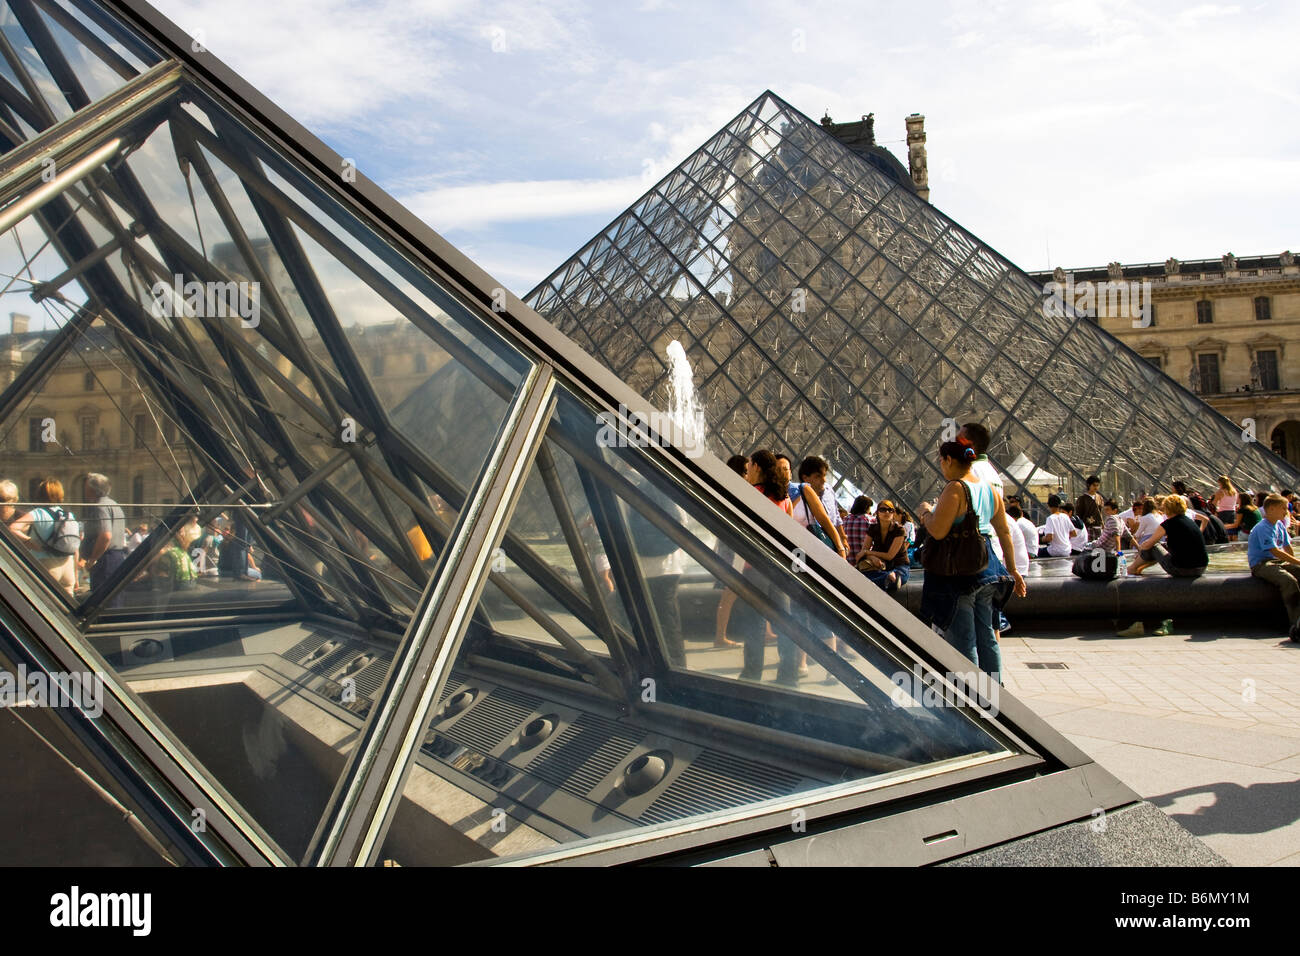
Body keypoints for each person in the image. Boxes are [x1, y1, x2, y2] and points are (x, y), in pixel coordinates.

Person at [919, 438, 1026, 684]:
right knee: (987, 635)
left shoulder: (955, 488)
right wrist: (1012, 570)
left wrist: (925, 512)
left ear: (948, 460)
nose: (941, 466)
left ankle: (970, 695)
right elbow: (1004, 533)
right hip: (988, 564)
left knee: (963, 636)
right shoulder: (990, 489)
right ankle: (994, 690)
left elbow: (937, 530)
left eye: (941, 461)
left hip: (961, 567)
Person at [735, 450, 798, 684]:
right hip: (779, 569)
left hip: (755, 567)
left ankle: (752, 672)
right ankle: (788, 673)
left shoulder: (751, 494)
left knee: (754, 623)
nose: (747, 469)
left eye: (749, 464)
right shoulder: (783, 498)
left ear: (758, 467)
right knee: (785, 622)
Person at [8, 478, 80, 597]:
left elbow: (12, 528)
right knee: (67, 610)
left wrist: (29, 541)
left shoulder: (37, 513)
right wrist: (76, 575)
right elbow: (75, 547)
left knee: (44, 603)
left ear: (40, 494)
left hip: (46, 566)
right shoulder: (68, 515)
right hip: (68, 567)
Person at [1249, 494, 1300, 641]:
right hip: (1261, 564)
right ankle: (1295, 622)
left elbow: (1287, 547)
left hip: (1275, 562)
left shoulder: (1279, 524)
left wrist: (1294, 562)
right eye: (1283, 508)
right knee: (1288, 581)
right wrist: (1297, 562)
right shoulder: (1262, 527)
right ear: (1271, 509)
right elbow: (1275, 551)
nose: (1286, 511)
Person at [713, 455, 750, 648]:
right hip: (733, 548)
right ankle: (720, 637)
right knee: (729, 593)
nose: (747, 475)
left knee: (732, 593)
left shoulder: (728, 490)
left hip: (731, 547)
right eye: (745, 471)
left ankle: (721, 635)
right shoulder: (732, 492)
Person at [81, 472, 128, 607]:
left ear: (92, 489)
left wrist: (93, 559)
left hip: (105, 560)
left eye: (86, 487)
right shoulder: (114, 504)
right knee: (114, 599)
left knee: (103, 602)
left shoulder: (100, 507)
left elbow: (105, 535)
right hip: (116, 556)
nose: (84, 490)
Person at [1137, 494, 1208, 578]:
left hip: (1181, 569)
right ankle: (1140, 568)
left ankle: (1132, 568)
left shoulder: (1168, 524)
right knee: (1162, 545)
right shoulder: (1190, 521)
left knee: (1153, 546)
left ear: (1166, 508)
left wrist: (1140, 548)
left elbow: (1149, 544)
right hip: (1202, 568)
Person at [791, 456, 847, 561]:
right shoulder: (798, 498)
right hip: (810, 546)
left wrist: (843, 538)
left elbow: (836, 517)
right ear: (805, 478)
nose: (823, 480)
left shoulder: (829, 491)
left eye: (824, 475)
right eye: (818, 476)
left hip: (831, 544)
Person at [858, 499, 910, 594]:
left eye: (890, 510)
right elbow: (864, 550)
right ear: (877, 512)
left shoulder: (899, 530)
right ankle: (886, 577)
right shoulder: (873, 528)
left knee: (897, 578)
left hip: (898, 565)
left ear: (893, 513)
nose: (887, 512)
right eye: (883, 509)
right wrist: (872, 557)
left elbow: (890, 556)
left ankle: (886, 578)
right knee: (890, 579)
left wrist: (868, 553)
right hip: (881, 565)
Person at [1126, 498, 1166, 576]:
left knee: (1136, 549)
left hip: (1150, 539)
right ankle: (1139, 567)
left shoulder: (1145, 517)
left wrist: (1132, 541)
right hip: (1161, 539)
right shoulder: (1159, 515)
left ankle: (1134, 568)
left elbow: (1138, 534)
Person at [842, 496, 874, 572]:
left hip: (847, 562)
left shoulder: (846, 519)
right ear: (866, 507)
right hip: (865, 564)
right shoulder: (870, 520)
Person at [1075, 476, 1104, 540]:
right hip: (1087, 527)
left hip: (1098, 526)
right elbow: (1079, 514)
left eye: (1097, 485)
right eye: (1094, 485)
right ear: (1089, 485)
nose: (1096, 487)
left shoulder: (1099, 498)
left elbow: (1100, 512)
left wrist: (1102, 524)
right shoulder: (1082, 499)